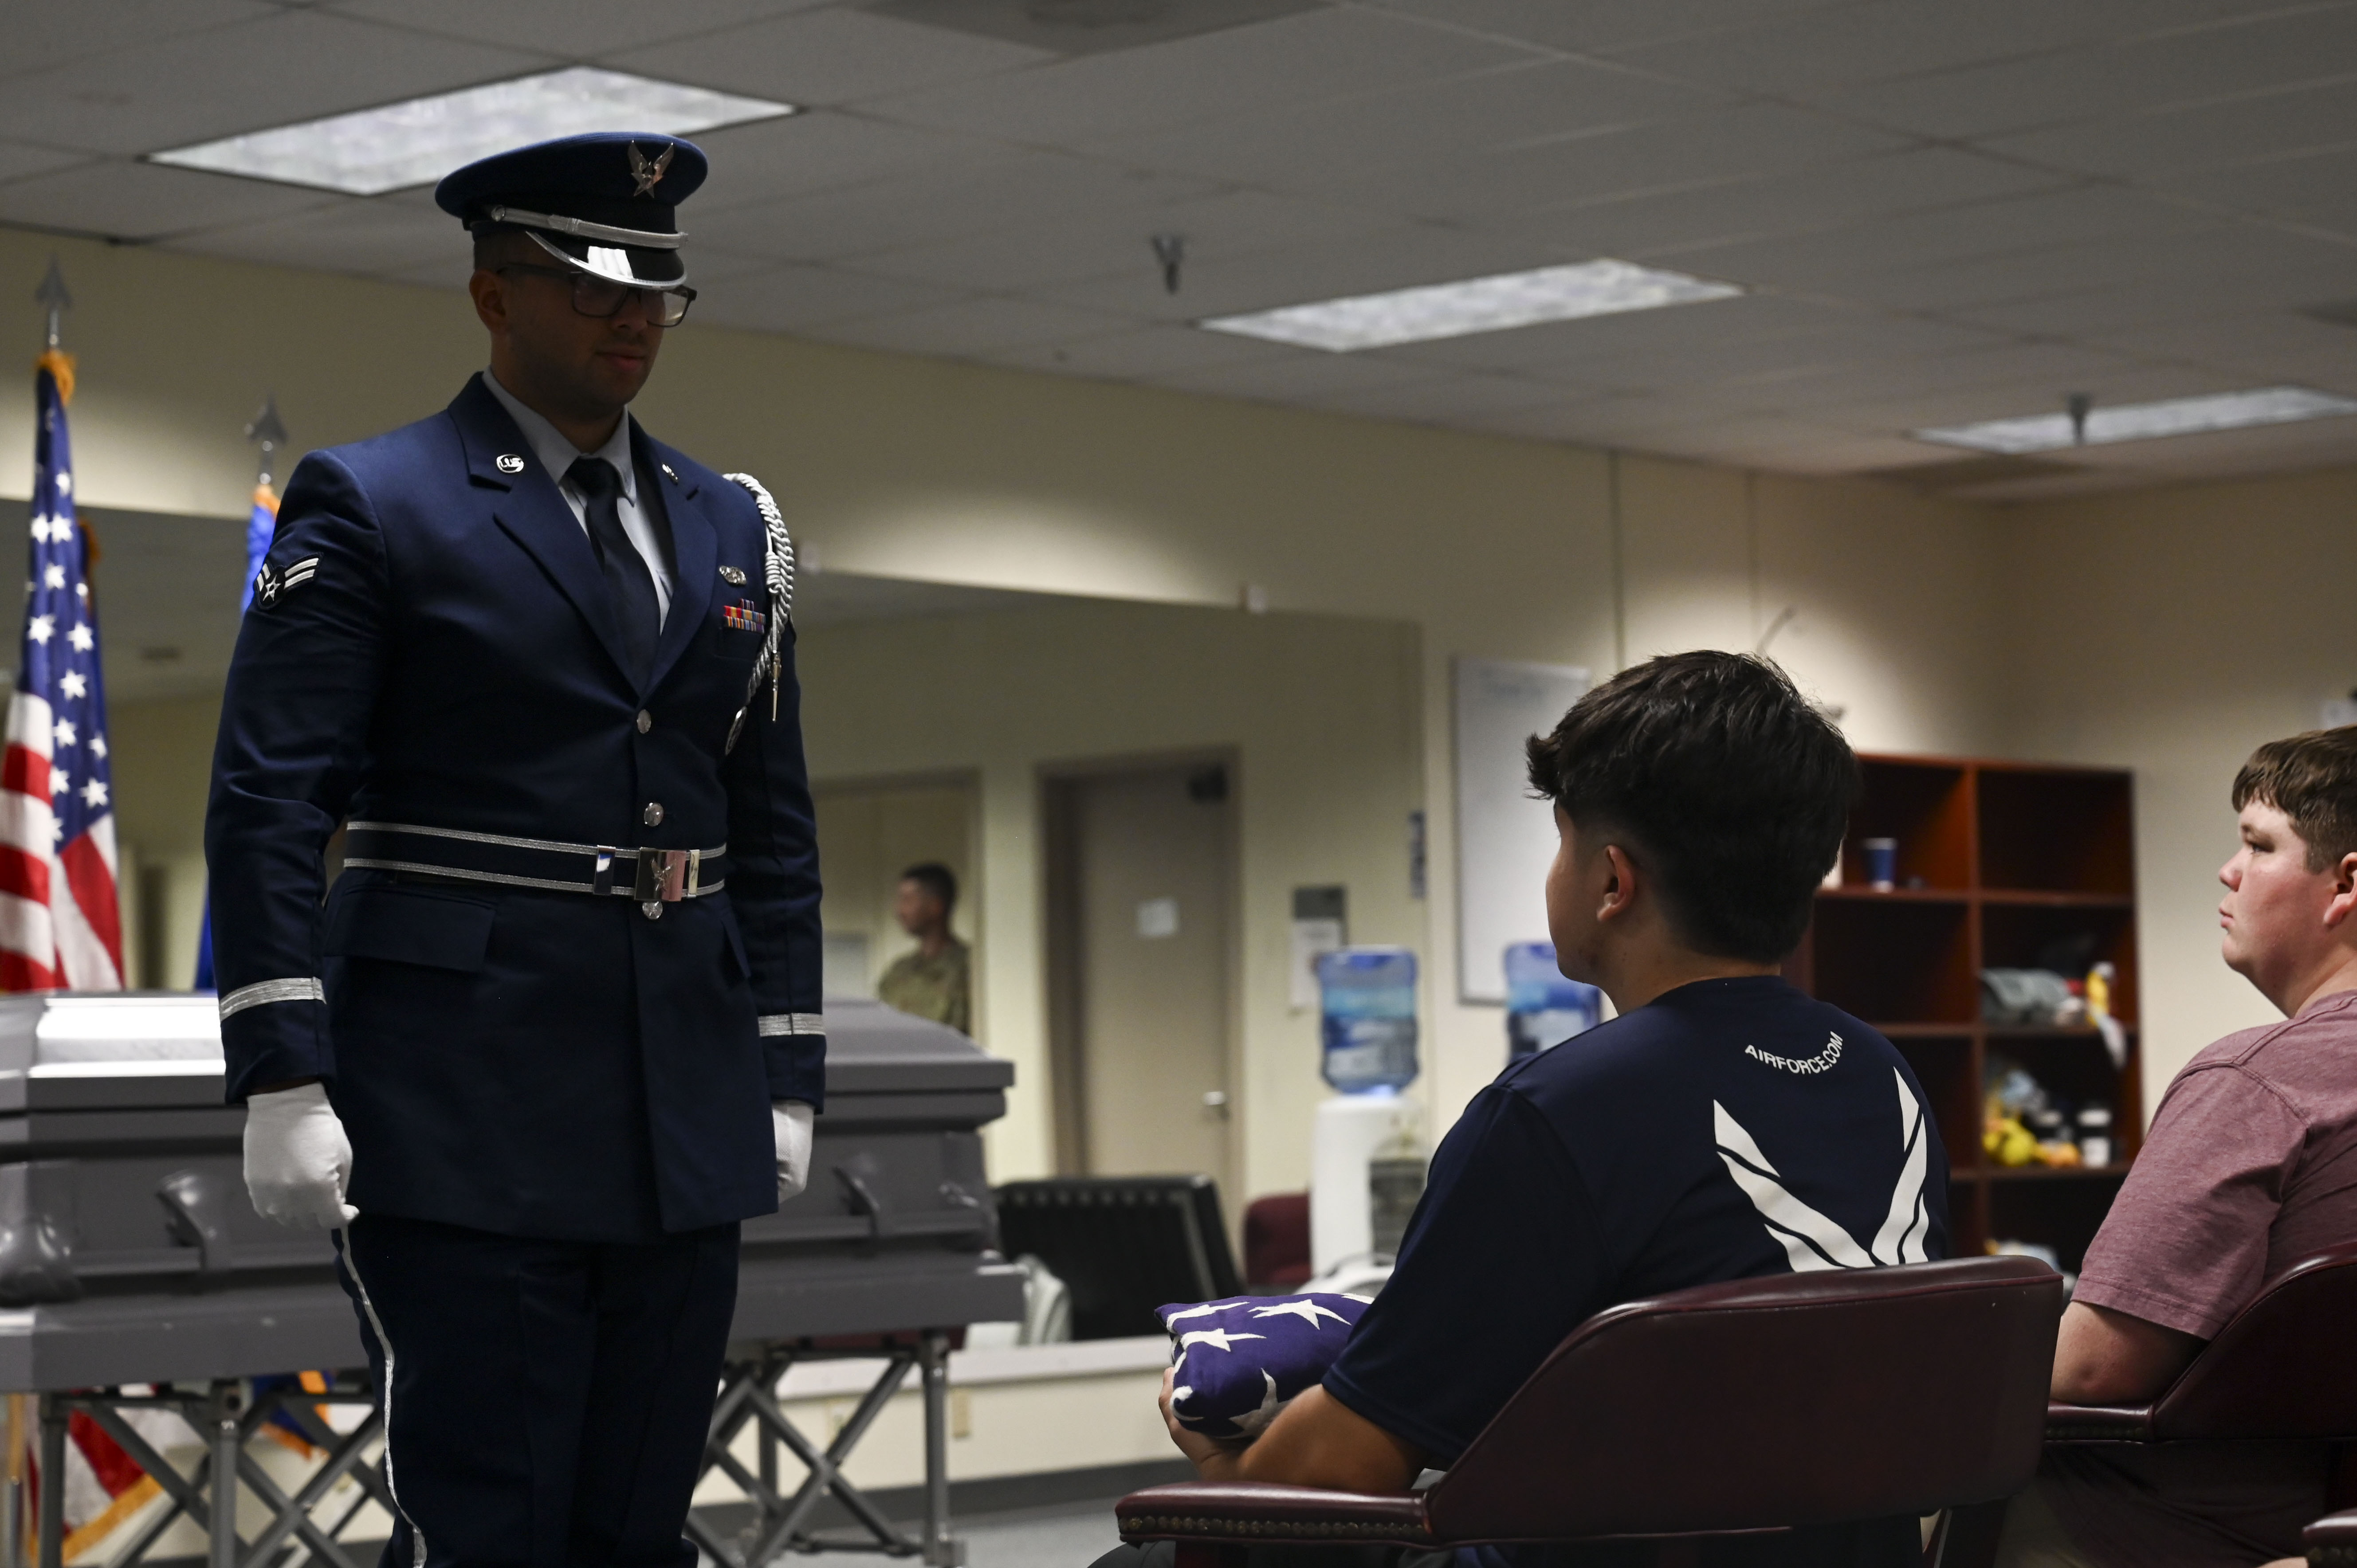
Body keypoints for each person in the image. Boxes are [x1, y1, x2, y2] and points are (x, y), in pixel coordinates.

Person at [205, 132, 826, 1568]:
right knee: (494, 1524)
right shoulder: (377, 501)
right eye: (596, 283)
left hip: (679, 1107)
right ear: (494, 294)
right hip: (461, 1105)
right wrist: (282, 1068)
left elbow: (770, 828)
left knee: (639, 1522)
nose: (633, 317)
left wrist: (784, 1069)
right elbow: (269, 795)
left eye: (658, 290)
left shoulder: (728, 523)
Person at [1096, 651, 1947, 1568]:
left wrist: (1222, 1471)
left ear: (1611, 882)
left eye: (1560, 842)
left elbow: (1341, 1475)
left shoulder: (1560, 1111)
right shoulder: (1879, 1076)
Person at [1996, 726, 2357, 1568]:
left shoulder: (2255, 1081)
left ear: (2344, 883)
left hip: (2160, 1525)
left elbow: (2092, 1372)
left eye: (2256, 845)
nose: (2227, 873)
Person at [877, 861, 970, 1033]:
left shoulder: (968, 968)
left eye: (908, 900)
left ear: (936, 906)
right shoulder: (899, 971)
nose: (900, 911)